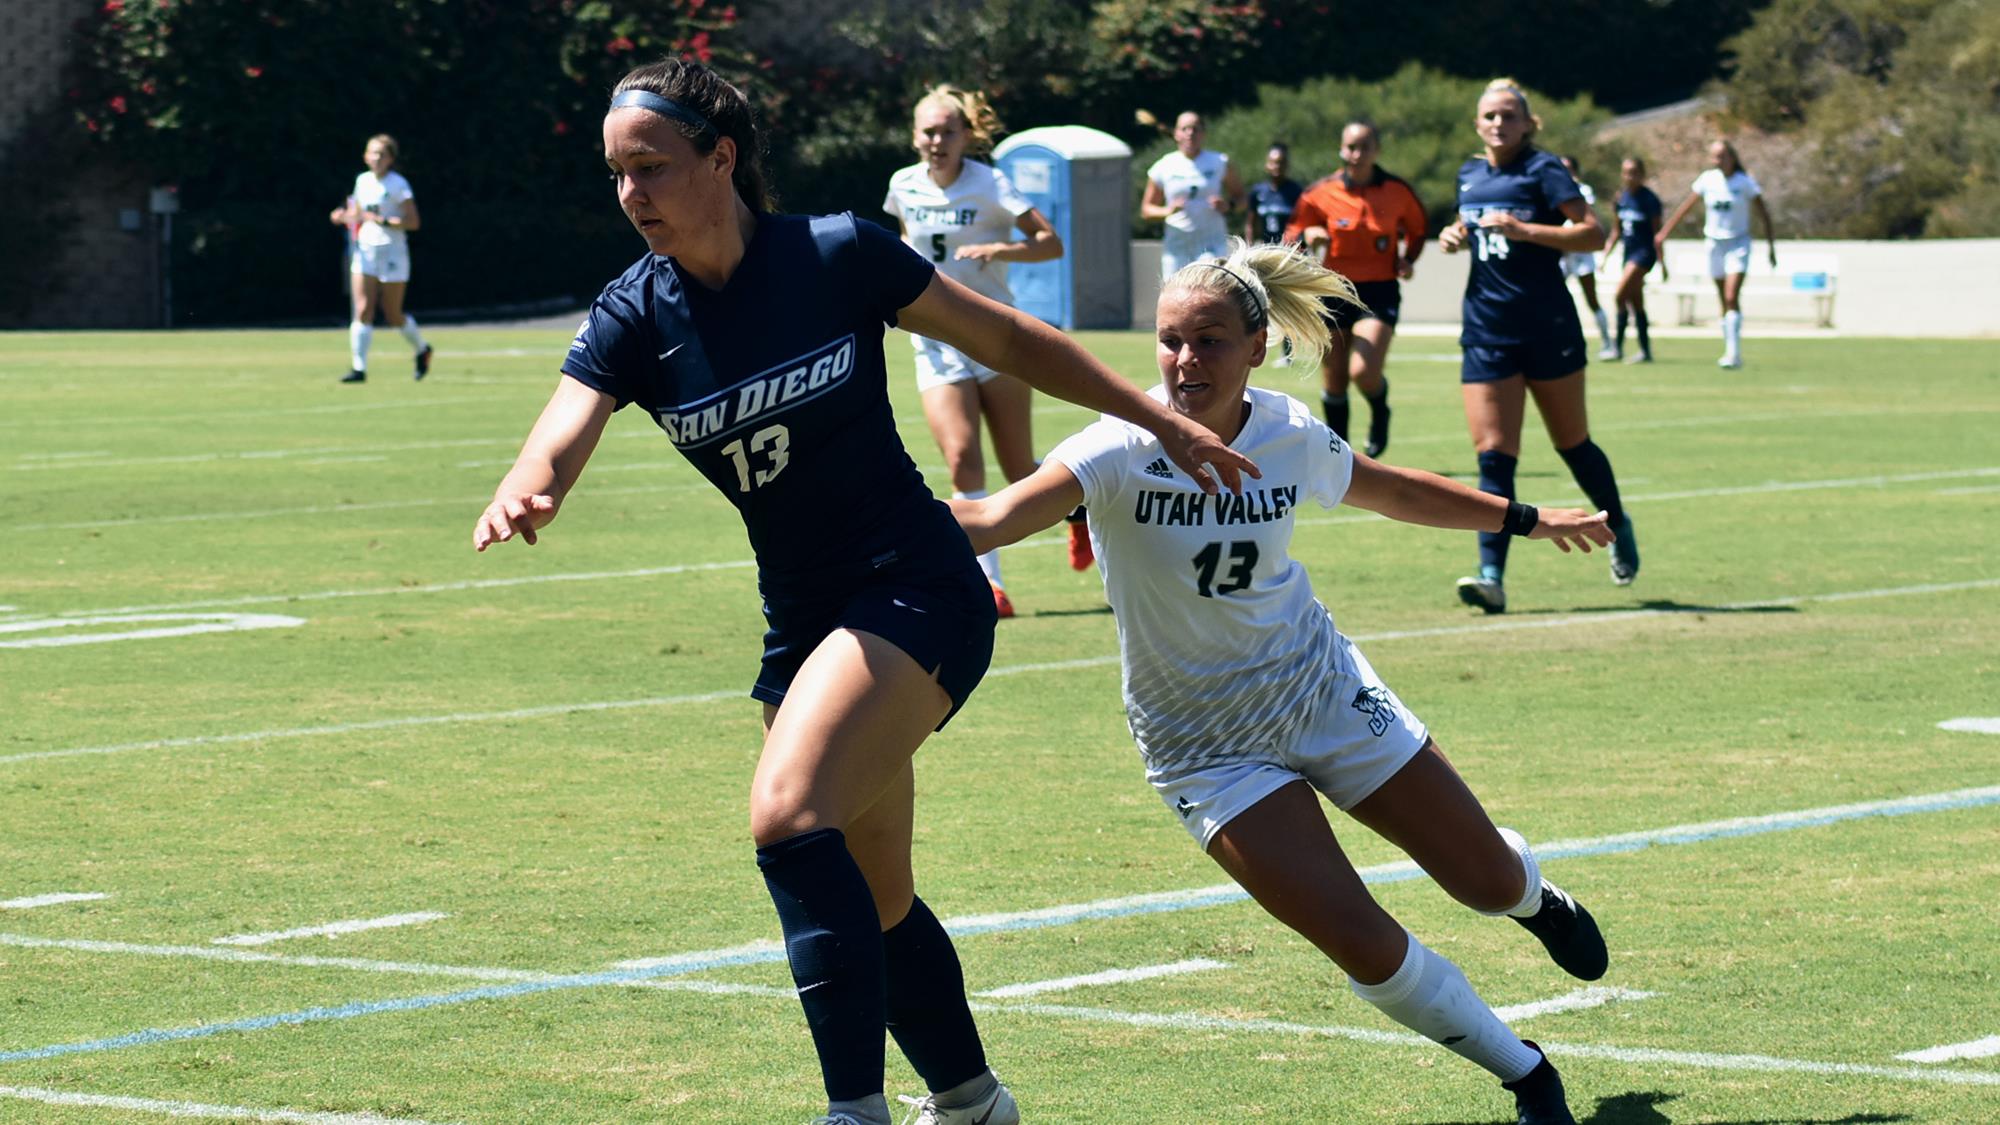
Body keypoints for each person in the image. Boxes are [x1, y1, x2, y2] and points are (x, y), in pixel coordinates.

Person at [471, 58, 1256, 1125]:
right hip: (800, 619)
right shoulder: (634, 313)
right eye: (615, 175)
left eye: (650, 167)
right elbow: (560, 434)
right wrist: (527, 489)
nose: (631, 195)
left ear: (722, 157)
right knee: (873, 893)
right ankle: (973, 1102)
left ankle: (855, 1112)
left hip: (916, 586)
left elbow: (1004, 338)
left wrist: (1158, 419)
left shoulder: (834, 252)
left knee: (789, 820)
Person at [948, 240, 1613, 1125]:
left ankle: (1535, 896)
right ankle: (1528, 1073)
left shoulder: (1289, 432)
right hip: (1203, 747)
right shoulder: (1112, 448)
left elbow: (1390, 490)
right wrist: (851, 519)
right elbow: (991, 518)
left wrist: (1525, 520)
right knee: (1360, 938)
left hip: (1319, 690)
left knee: (1485, 881)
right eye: (1170, 340)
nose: (1187, 361)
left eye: (1211, 340)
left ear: (1257, 346)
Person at [1438, 79, 1639, 612]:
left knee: (1572, 444)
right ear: (1477, 123)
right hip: (1486, 329)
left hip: (1548, 325)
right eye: (1489, 116)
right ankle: (1491, 576)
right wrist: (1453, 235)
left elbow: (1592, 233)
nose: (1498, 124)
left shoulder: (1545, 170)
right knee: (1494, 456)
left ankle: (1616, 523)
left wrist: (1529, 231)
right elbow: (1469, 226)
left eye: (1509, 116)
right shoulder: (1470, 173)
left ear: (1528, 124)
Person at [883, 84, 1070, 618]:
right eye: (929, 131)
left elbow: (1050, 242)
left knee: (1019, 471)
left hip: (995, 339)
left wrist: (999, 247)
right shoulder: (903, 185)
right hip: (935, 341)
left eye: (948, 131)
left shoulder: (992, 184)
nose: (937, 140)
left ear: (966, 135)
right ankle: (990, 585)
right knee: (962, 457)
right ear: (915, 136)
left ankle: (1080, 511)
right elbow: (905, 242)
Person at [1284, 120, 1426, 459]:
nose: (1357, 154)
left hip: (1377, 291)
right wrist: (1309, 238)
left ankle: (1380, 410)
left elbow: (1418, 229)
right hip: (1331, 289)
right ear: (1341, 149)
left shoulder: (1397, 191)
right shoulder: (1320, 192)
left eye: (1364, 146)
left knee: (1363, 371)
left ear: (1377, 150)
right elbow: (1292, 236)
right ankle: (1340, 456)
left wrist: (1408, 259)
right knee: (1334, 380)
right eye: (1350, 146)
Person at [1656, 139, 1777, 369]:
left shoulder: (1744, 183)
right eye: (1714, 156)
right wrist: (1664, 233)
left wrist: (1771, 247)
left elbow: (1764, 213)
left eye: (1721, 156)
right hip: (1714, 244)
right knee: (1722, 298)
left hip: (1738, 243)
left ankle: (1734, 353)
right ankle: (1728, 349)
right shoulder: (1707, 180)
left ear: (1732, 157)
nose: (1717, 161)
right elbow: (1685, 207)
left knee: (1732, 296)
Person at [327, 134, 433, 383]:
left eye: (380, 154)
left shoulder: (399, 185)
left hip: (393, 252)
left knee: (393, 314)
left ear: (390, 159)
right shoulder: (362, 181)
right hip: (366, 250)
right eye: (371, 153)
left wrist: (383, 220)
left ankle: (422, 349)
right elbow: (357, 215)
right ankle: (358, 368)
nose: (375, 158)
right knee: (362, 309)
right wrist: (342, 216)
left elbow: (413, 222)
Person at [1141, 111, 1246, 279]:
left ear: (1203, 134)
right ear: (1176, 133)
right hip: (1177, 248)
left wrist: (1228, 206)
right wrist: (1168, 211)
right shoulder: (1163, 166)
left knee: (1211, 293)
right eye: (1185, 128)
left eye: (1195, 129)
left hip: (1211, 245)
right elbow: (1146, 210)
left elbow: (1242, 200)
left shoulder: (1219, 162)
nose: (1190, 133)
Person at [1602, 157, 1665, 363]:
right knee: (1635, 302)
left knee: (1620, 296)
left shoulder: (1650, 200)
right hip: (1628, 255)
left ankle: (1616, 348)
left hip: (1644, 255)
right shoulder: (1622, 198)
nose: (1630, 176)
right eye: (1626, 172)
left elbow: (1658, 234)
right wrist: (1606, 254)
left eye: (1634, 172)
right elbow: (1616, 230)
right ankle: (1645, 351)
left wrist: (1663, 263)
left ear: (1642, 174)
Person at [1557, 156, 1616, 359]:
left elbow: (1584, 220)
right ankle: (1558, 343)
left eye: (1568, 169)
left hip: (1580, 252)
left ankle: (1608, 342)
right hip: (1561, 253)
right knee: (1551, 298)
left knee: (1591, 299)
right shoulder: (1551, 190)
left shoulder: (1583, 191)